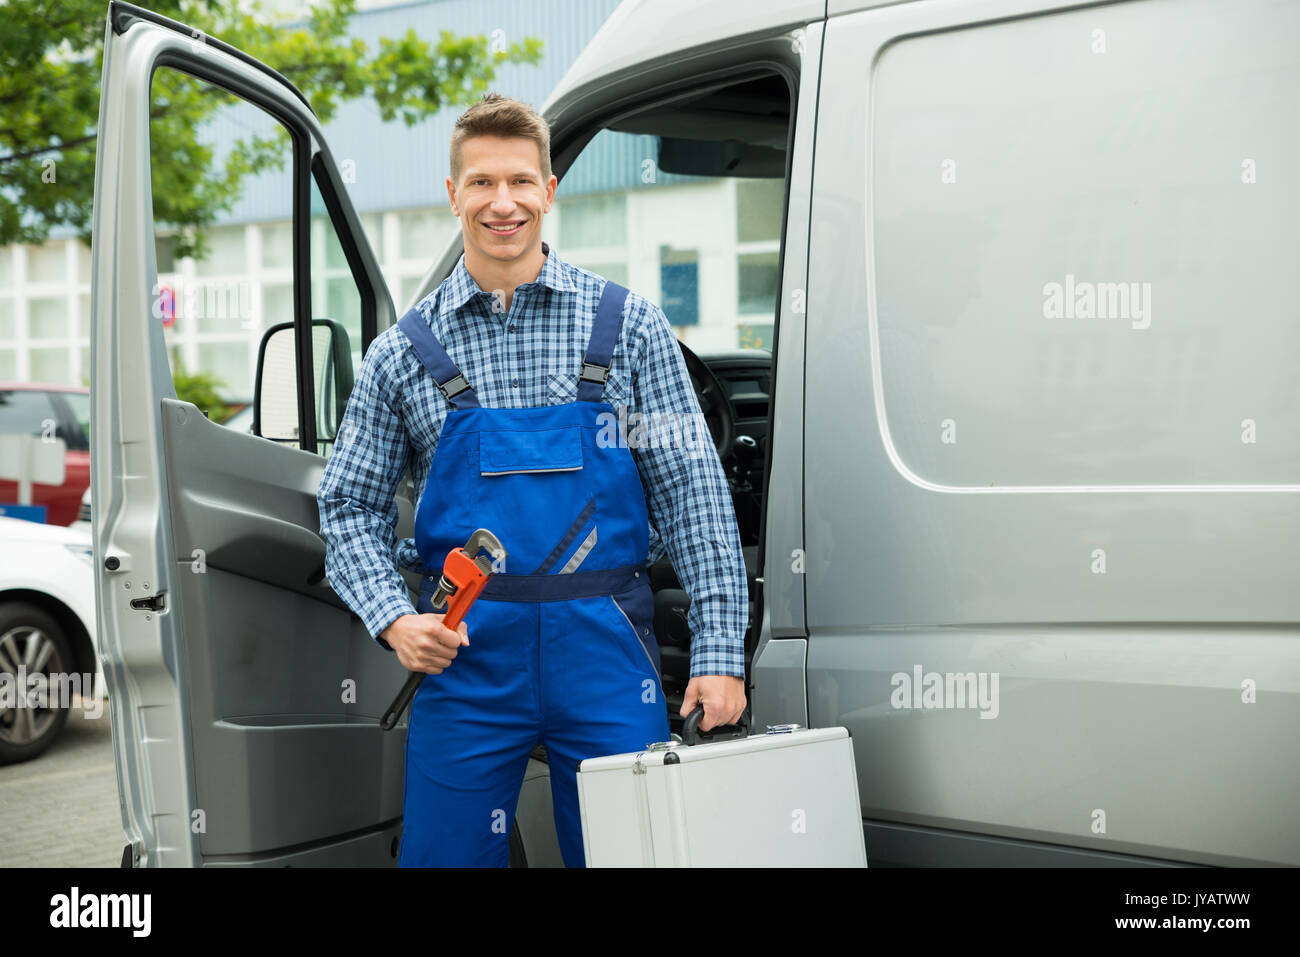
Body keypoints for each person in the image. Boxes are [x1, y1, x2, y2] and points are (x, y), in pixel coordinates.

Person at [316, 92, 749, 867]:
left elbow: (695, 495)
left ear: (550, 190)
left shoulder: (629, 327)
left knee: (631, 855)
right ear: (453, 196)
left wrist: (719, 651)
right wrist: (393, 618)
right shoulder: (403, 353)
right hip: (468, 658)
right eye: (481, 183)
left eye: (520, 181)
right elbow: (347, 506)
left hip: (609, 656)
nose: (502, 202)